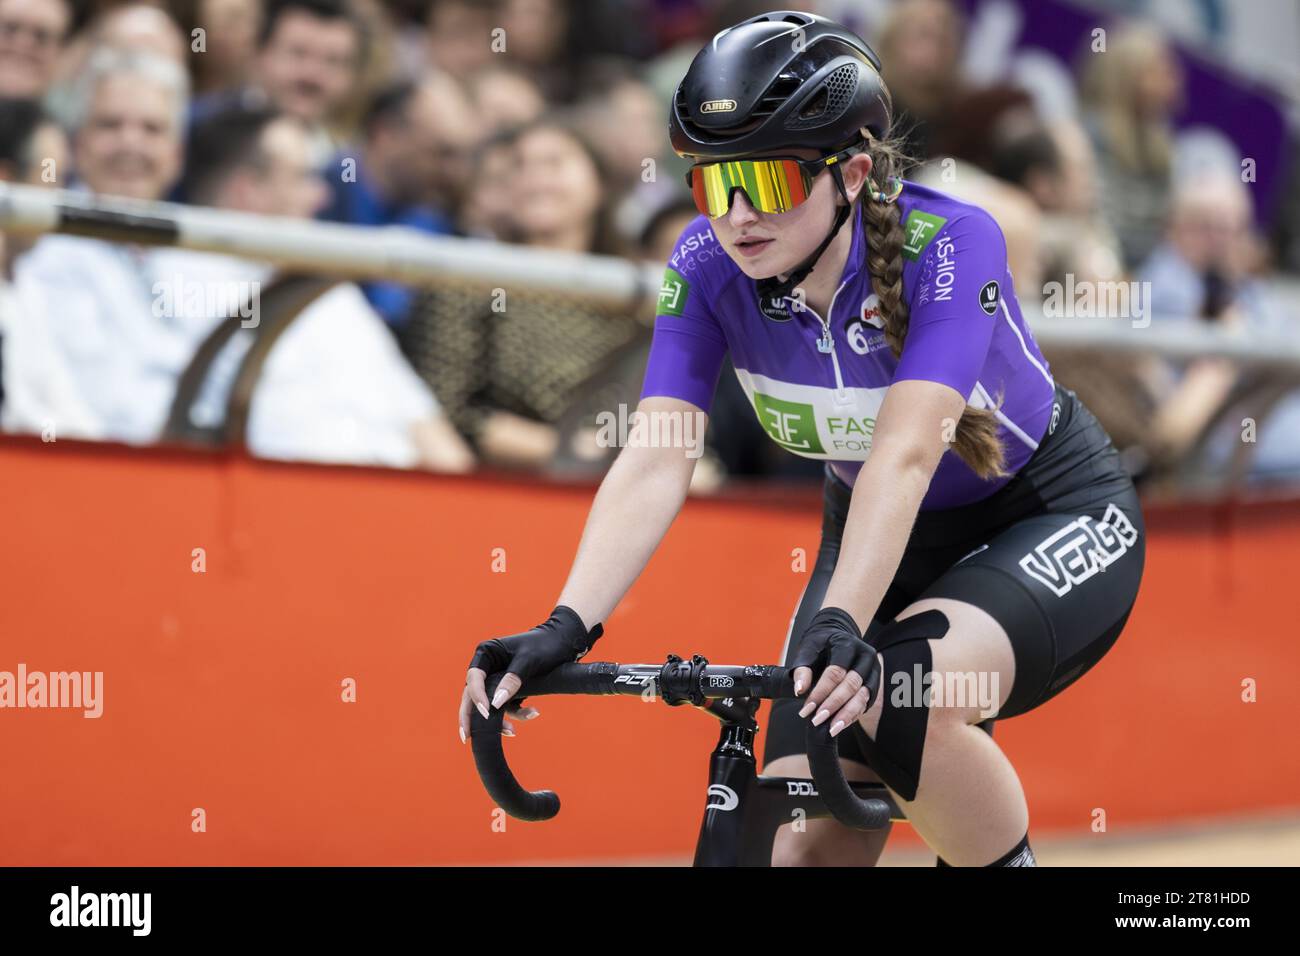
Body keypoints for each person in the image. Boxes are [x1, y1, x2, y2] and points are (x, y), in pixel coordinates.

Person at [457, 11, 1147, 868]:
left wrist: (840, 618)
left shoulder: (954, 245)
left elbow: (904, 451)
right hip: (873, 533)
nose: (737, 215)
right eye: (714, 184)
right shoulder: (706, 264)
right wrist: (567, 622)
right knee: (800, 836)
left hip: (1043, 513)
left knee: (900, 701)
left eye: (768, 183)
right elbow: (657, 456)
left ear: (853, 172)